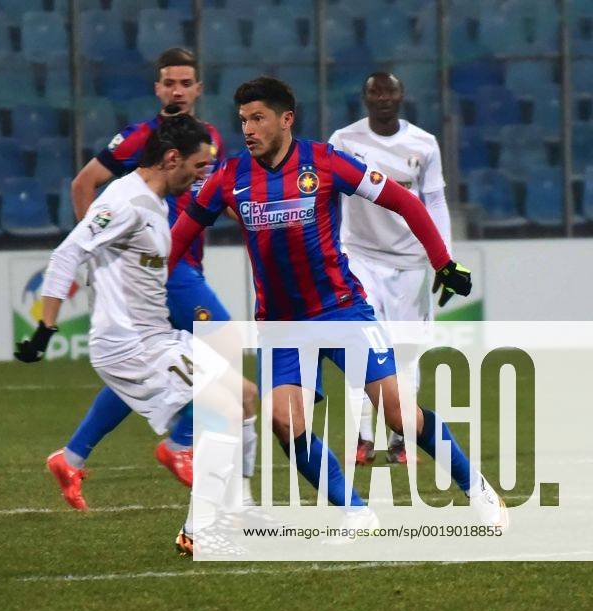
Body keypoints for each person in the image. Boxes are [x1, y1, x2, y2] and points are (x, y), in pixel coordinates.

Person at [168, 77, 507, 540]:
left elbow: (404, 200)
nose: (248, 128)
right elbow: (181, 236)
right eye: (243, 119)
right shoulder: (228, 178)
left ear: (286, 119)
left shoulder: (324, 162)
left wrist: (442, 261)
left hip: (341, 311)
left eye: (258, 117)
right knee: (284, 422)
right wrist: (152, 285)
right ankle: (354, 509)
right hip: (281, 326)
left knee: (398, 415)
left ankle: (477, 489)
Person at [15, 116, 258, 551]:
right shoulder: (125, 203)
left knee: (245, 396)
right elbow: (66, 254)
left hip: (157, 337)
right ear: (171, 159)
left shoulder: (157, 201)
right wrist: (44, 329)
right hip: (130, 346)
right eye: (198, 165)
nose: (202, 175)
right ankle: (210, 525)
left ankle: (237, 510)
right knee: (222, 405)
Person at [329, 72, 453, 466]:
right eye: (375, 92)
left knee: (405, 353)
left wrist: (444, 259)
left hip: (412, 262)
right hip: (360, 257)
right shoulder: (344, 141)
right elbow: (327, 197)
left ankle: (403, 439)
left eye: (390, 91)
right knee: (361, 346)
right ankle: (363, 439)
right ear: (364, 98)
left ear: (402, 96)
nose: (383, 97)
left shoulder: (424, 144)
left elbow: (434, 202)